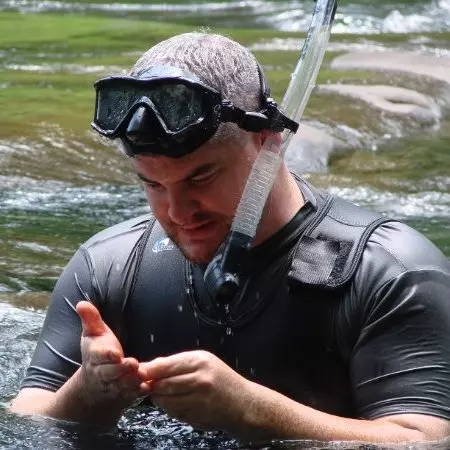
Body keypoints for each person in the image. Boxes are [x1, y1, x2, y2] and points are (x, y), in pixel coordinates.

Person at [10, 32, 450, 444]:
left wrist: (254, 412)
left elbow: (424, 440)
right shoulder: (109, 269)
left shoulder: (391, 272)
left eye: (202, 178)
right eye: (153, 186)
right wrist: (89, 393)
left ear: (270, 142)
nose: (178, 213)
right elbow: (27, 423)